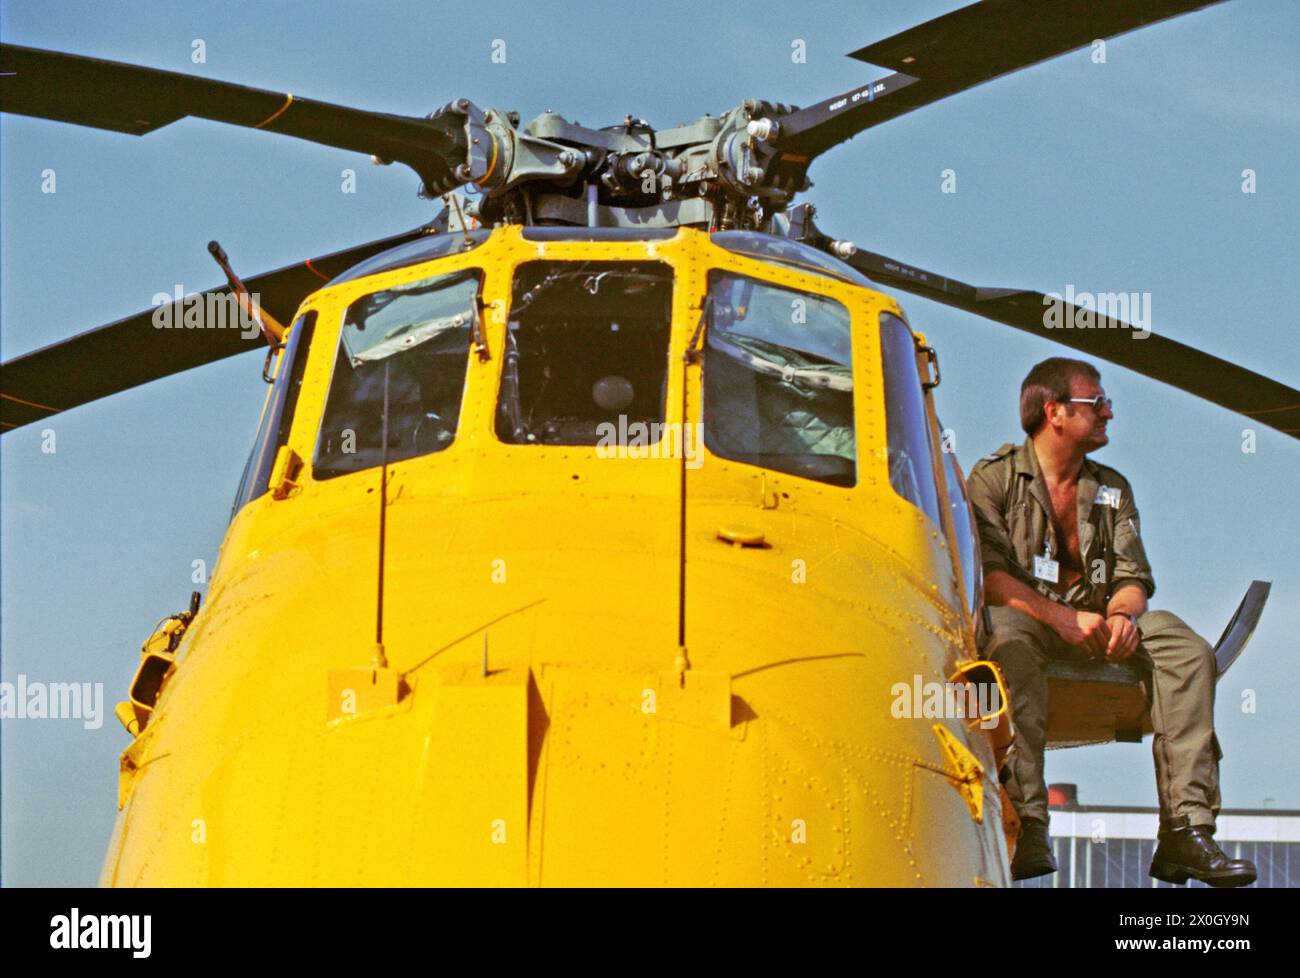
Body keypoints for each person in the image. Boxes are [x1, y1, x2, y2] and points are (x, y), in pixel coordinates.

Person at [967, 357, 1256, 887]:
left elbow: (1133, 575)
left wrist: (1122, 615)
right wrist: (1060, 618)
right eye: (1094, 403)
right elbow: (988, 577)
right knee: (1005, 641)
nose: (1107, 413)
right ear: (1054, 412)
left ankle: (1185, 830)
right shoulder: (994, 479)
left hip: (1096, 626)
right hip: (1029, 624)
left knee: (1187, 649)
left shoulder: (1111, 487)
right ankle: (1028, 822)